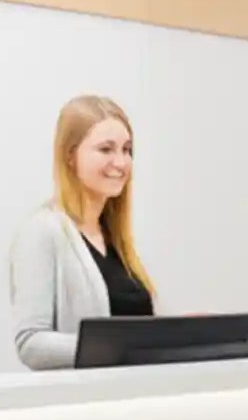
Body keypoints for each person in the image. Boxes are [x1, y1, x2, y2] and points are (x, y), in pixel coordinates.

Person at [9, 95, 156, 370]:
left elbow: (137, 333)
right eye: (106, 149)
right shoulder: (42, 231)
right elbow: (30, 343)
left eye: (127, 150)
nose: (121, 162)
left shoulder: (116, 239)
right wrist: (116, 347)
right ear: (70, 156)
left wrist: (179, 332)